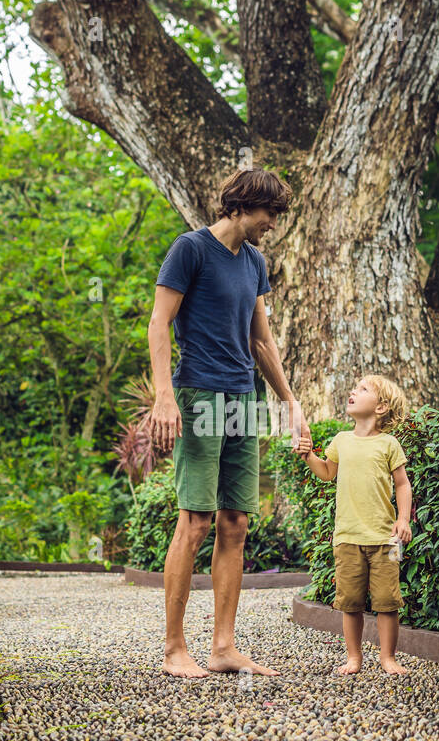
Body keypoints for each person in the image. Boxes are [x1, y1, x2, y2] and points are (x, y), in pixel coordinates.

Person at [147, 167, 313, 678]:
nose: (273, 224)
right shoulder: (190, 249)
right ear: (241, 205)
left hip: (245, 398)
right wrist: (164, 397)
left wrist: (289, 400)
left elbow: (260, 340)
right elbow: (159, 322)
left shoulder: (255, 263)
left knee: (235, 523)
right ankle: (175, 649)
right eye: (269, 213)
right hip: (199, 394)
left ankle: (223, 646)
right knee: (195, 521)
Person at [296, 375, 412, 674]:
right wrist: (309, 455)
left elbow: (402, 485)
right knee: (350, 603)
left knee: (388, 601)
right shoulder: (341, 441)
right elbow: (326, 472)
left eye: (363, 389)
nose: (353, 391)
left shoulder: (389, 444)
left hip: (387, 540)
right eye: (355, 388)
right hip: (346, 538)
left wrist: (403, 519)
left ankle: (388, 658)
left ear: (381, 407)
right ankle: (354, 658)